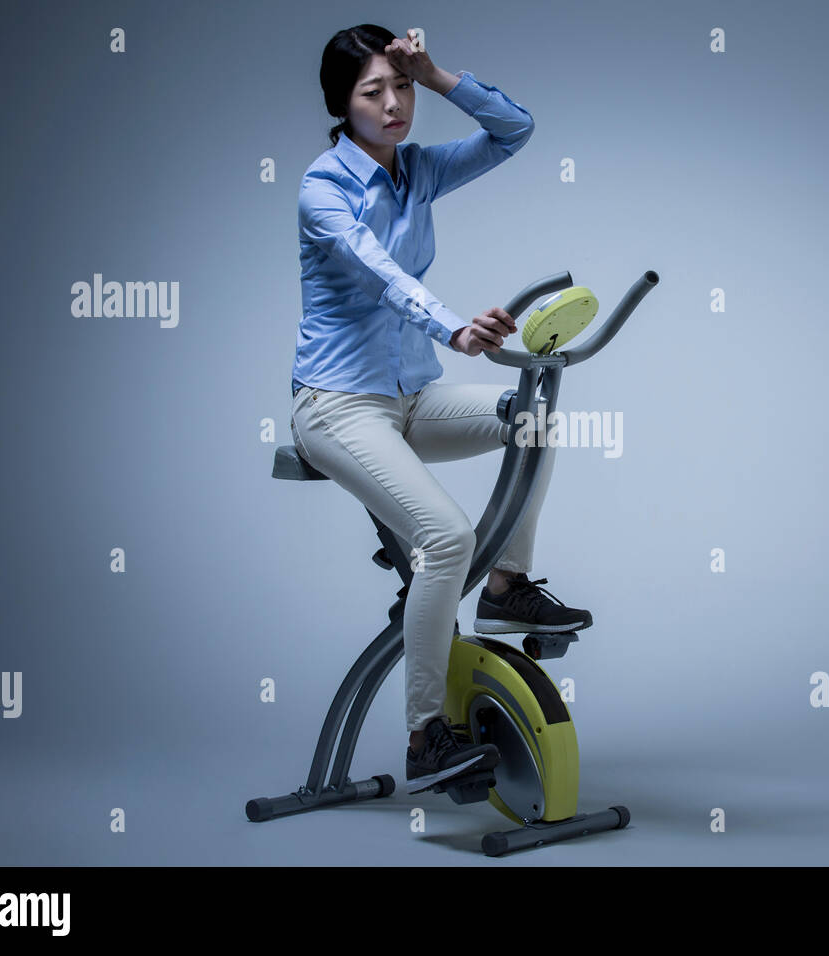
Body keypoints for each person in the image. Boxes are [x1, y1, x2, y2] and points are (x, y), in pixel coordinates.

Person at [289, 24, 591, 789]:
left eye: (401, 87)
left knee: (532, 418)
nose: (394, 104)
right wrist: (452, 325)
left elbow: (514, 130)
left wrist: (439, 73)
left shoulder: (417, 172)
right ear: (340, 103)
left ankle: (507, 589)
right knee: (446, 539)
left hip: (412, 396)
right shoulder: (323, 189)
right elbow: (379, 269)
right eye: (373, 92)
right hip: (337, 408)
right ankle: (427, 735)